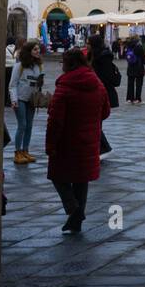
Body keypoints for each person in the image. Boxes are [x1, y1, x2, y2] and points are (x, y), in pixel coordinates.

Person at [45, 48, 110, 234]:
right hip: (89, 140)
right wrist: (91, 120)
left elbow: (55, 121)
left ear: (68, 64)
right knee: (82, 179)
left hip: (67, 141)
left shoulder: (64, 87)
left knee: (57, 175)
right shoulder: (97, 83)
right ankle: (76, 221)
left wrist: (50, 145)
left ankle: (74, 210)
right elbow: (105, 111)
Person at [8, 41, 44, 164]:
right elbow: (12, 85)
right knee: (22, 125)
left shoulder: (38, 66)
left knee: (29, 126)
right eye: (35, 49)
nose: (37, 51)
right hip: (20, 99)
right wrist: (14, 100)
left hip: (31, 100)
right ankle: (17, 152)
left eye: (38, 49)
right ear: (29, 51)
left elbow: (37, 83)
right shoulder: (20, 66)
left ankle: (25, 150)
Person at [87, 34, 120, 155]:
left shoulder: (103, 58)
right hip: (92, 92)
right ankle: (99, 148)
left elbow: (107, 77)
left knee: (95, 123)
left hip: (102, 93)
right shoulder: (92, 56)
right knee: (94, 123)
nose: (87, 45)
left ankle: (104, 148)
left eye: (88, 43)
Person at [124, 36, 145, 103]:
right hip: (139, 67)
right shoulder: (139, 47)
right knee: (139, 84)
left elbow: (125, 56)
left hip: (130, 67)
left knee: (130, 84)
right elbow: (143, 58)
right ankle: (137, 99)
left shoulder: (128, 46)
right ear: (138, 40)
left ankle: (129, 98)